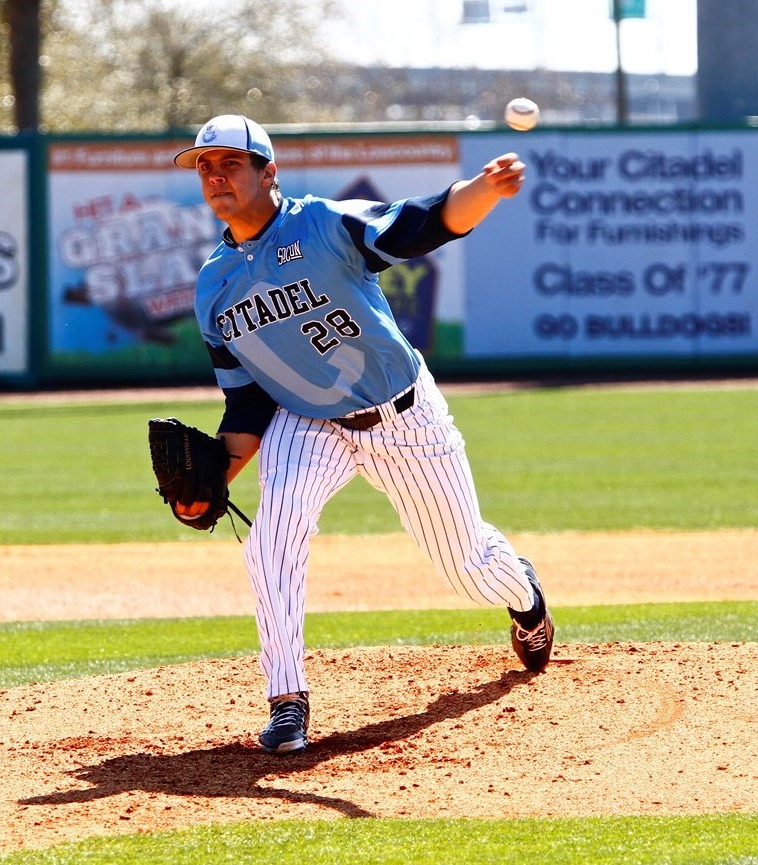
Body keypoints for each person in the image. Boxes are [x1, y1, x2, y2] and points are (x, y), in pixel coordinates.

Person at [172, 115, 554, 755]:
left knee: (464, 565)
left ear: (269, 172)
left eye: (230, 163)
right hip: (307, 420)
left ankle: (523, 592)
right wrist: (210, 482)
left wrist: (484, 189)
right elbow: (246, 400)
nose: (215, 176)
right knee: (270, 538)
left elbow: (417, 224)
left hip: (402, 413)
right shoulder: (213, 285)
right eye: (205, 167)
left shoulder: (320, 223)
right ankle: (286, 699)